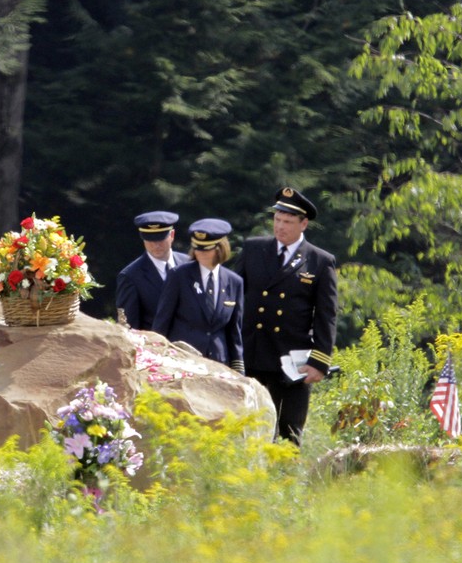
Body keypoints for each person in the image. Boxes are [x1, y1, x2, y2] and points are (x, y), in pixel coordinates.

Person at [235, 187, 338, 445]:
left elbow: (326, 315)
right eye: (277, 220)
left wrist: (320, 360)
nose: (280, 227)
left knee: (289, 431)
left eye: (288, 222)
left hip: (290, 358)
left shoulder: (319, 261)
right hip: (252, 351)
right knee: (245, 426)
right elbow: (233, 296)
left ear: (304, 224)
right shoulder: (253, 249)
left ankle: (285, 483)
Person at [152, 219, 244, 373]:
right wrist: (156, 357)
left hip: (219, 363)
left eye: (206, 249)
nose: (200, 253)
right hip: (182, 361)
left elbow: (234, 332)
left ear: (220, 248)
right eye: (197, 248)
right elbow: (162, 320)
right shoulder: (179, 276)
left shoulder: (234, 282)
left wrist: (238, 369)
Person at [116, 211, 191, 330]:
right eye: (150, 239)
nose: (156, 245)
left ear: (172, 235)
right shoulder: (131, 276)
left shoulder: (190, 264)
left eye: (160, 239)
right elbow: (129, 327)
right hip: (157, 346)